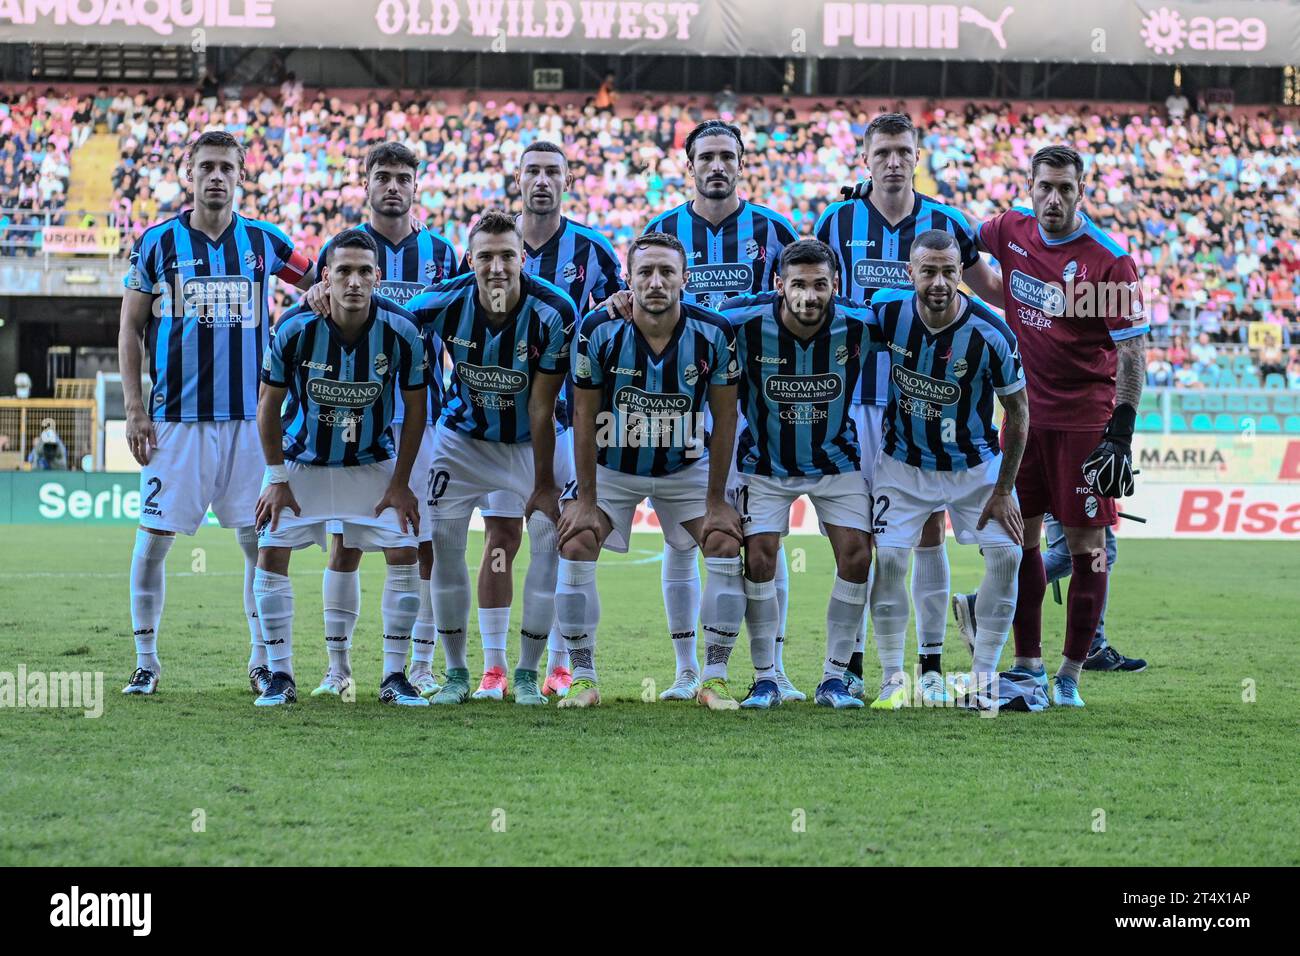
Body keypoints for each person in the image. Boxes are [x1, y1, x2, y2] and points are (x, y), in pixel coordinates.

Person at [816, 111, 1006, 703]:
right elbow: (813, 296)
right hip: (851, 403)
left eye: (904, 150)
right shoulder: (836, 219)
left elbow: (994, 291)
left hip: (913, 405)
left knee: (926, 532)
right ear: (865, 158)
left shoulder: (947, 222)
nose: (893, 161)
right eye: (883, 152)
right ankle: (848, 667)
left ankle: (925, 667)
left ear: (917, 156)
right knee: (858, 542)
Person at [118, 130, 314, 697]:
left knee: (258, 543)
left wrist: (322, 293)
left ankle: (262, 660)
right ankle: (147, 661)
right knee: (154, 540)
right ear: (188, 173)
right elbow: (131, 327)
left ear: (241, 175)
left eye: (227, 167)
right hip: (177, 421)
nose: (217, 176)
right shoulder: (157, 243)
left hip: (252, 423)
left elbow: (319, 281)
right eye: (206, 166)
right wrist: (136, 406)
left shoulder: (265, 241)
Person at [974, 144, 1148, 707]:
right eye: (1044, 186)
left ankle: (1071, 675)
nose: (1053, 198)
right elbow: (955, 237)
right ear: (1029, 185)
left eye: (1065, 189)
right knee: (1018, 541)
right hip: (1023, 418)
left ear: (1081, 192)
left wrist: (1120, 431)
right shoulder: (1008, 230)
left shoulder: (1109, 261)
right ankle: (1027, 665)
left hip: (1084, 422)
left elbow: (1132, 352)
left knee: (1088, 547)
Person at [634, 120, 801, 702]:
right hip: (676, 407)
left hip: (752, 409)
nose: (717, 166)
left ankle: (771, 669)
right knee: (681, 541)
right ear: (689, 166)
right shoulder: (660, 233)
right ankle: (686, 670)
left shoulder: (775, 231)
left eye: (727, 156)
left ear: (741, 163)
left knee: (761, 536)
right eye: (706, 156)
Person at [555, 232, 743, 710]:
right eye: (645, 272)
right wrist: (586, 500)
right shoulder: (598, 329)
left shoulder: (713, 332)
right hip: (612, 465)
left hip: (685, 467)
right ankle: (582, 677)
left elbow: (724, 420)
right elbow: (582, 417)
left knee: (724, 539)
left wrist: (718, 498)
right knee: (576, 540)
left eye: (666, 272)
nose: (656, 282)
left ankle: (714, 677)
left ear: (684, 278)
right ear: (629, 279)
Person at [303, 142, 462, 700]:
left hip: (422, 420)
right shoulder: (340, 248)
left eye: (403, 178)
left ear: (416, 187)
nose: (393, 187)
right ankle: (338, 669)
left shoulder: (443, 254)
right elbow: (309, 322)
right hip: (348, 419)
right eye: (383, 177)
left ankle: (415, 669)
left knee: (418, 543)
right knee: (343, 541)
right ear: (366, 186)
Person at [466, 141, 624, 701]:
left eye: (552, 172)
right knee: (501, 537)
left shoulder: (595, 252)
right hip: (493, 427)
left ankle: (555, 664)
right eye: (532, 170)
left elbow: (616, 330)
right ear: (518, 178)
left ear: (567, 180)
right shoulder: (491, 247)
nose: (541, 180)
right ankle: (492, 666)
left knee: (554, 539)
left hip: (563, 426)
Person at [252, 228, 430, 707]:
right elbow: (267, 407)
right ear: (326, 276)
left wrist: (400, 483)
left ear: (378, 276)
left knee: (404, 550)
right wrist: (275, 477)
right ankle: (279, 675)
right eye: (343, 271)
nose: (353, 281)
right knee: (270, 553)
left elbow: (416, 411)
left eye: (363, 271)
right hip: (302, 462)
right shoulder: (293, 326)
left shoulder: (403, 330)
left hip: (371, 462)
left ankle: (394, 676)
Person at [406, 210, 573, 706]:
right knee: (445, 546)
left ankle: (525, 672)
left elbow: (542, 405)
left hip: (536, 440)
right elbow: (385, 321)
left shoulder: (553, 310)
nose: (496, 266)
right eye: (485, 257)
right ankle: (458, 671)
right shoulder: (441, 302)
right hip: (463, 440)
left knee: (549, 545)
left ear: (523, 258)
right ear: (470, 260)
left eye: (506, 256)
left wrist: (544, 483)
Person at [866, 230, 1029, 710]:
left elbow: (1018, 414)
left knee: (1007, 557)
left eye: (949, 272)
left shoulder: (992, 334)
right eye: (929, 271)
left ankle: (982, 678)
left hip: (975, 468)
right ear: (909, 273)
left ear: (963, 275)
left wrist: (1003, 490)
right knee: (892, 560)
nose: (939, 282)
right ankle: (899, 676)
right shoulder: (886, 313)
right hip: (903, 463)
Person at [719, 239, 877, 710]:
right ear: (778, 284)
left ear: (836, 286)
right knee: (761, 558)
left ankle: (834, 679)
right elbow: (682, 318)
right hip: (766, 463)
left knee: (857, 555)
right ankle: (765, 677)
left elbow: (916, 315)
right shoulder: (740, 320)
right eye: (800, 285)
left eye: (821, 285)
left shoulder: (862, 323)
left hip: (836, 460)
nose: (810, 296)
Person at [952, 515, 1146, 672]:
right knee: (1076, 553)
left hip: (1068, 477)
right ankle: (986, 601)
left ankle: (1093, 644)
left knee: (1085, 553)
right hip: (1072, 477)